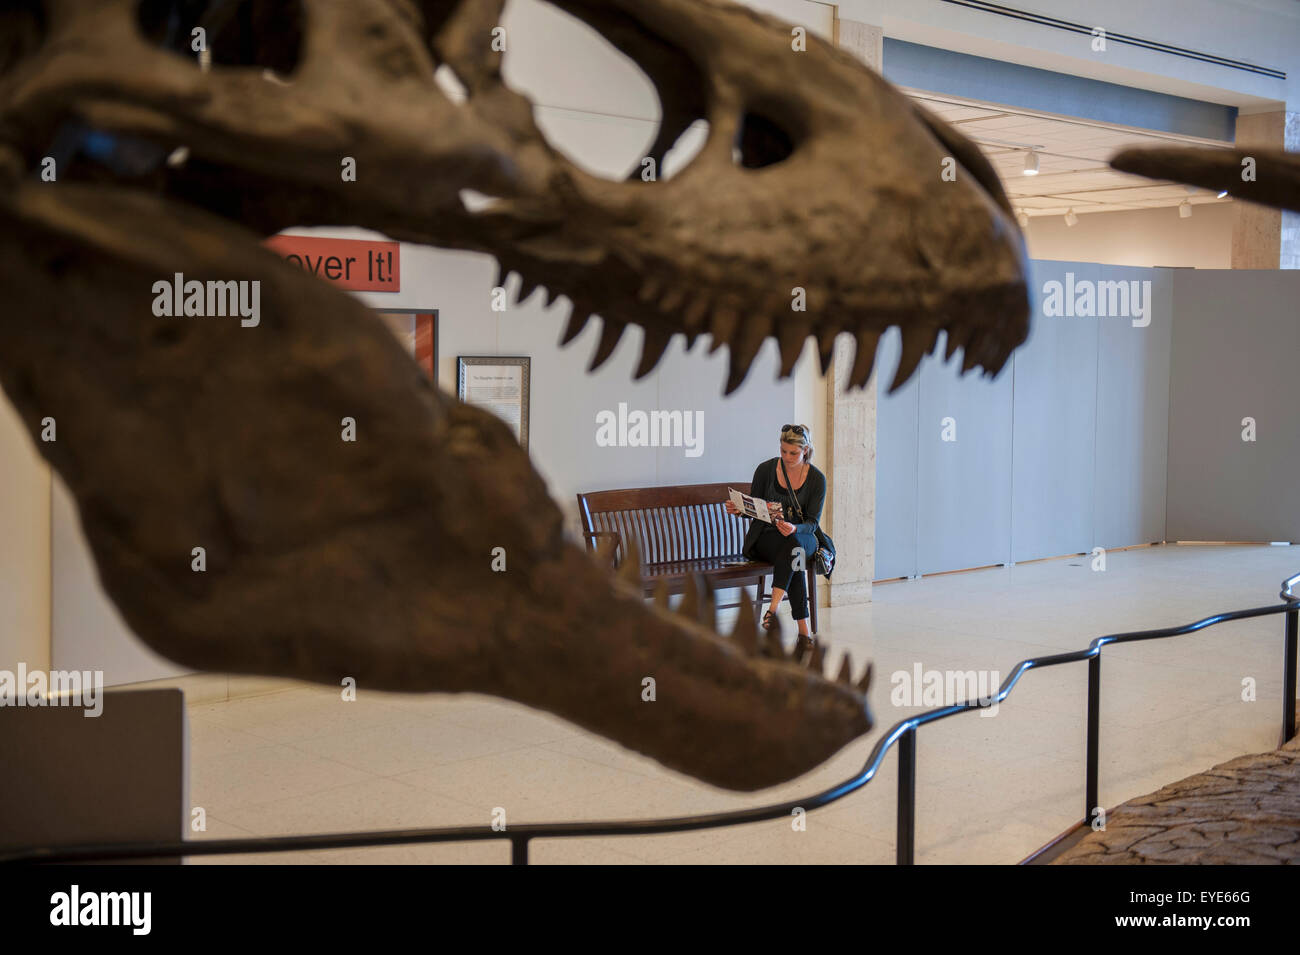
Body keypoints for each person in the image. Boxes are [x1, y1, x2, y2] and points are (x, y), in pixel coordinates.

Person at [724, 423, 826, 657]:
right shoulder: (765, 470)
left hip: (803, 535)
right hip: (767, 538)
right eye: (783, 451)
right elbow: (756, 508)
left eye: (794, 453)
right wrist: (739, 509)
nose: (787, 457)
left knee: (795, 546)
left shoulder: (817, 480)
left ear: (806, 450)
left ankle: (773, 608)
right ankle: (803, 633)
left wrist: (793, 528)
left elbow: (812, 523)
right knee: (795, 554)